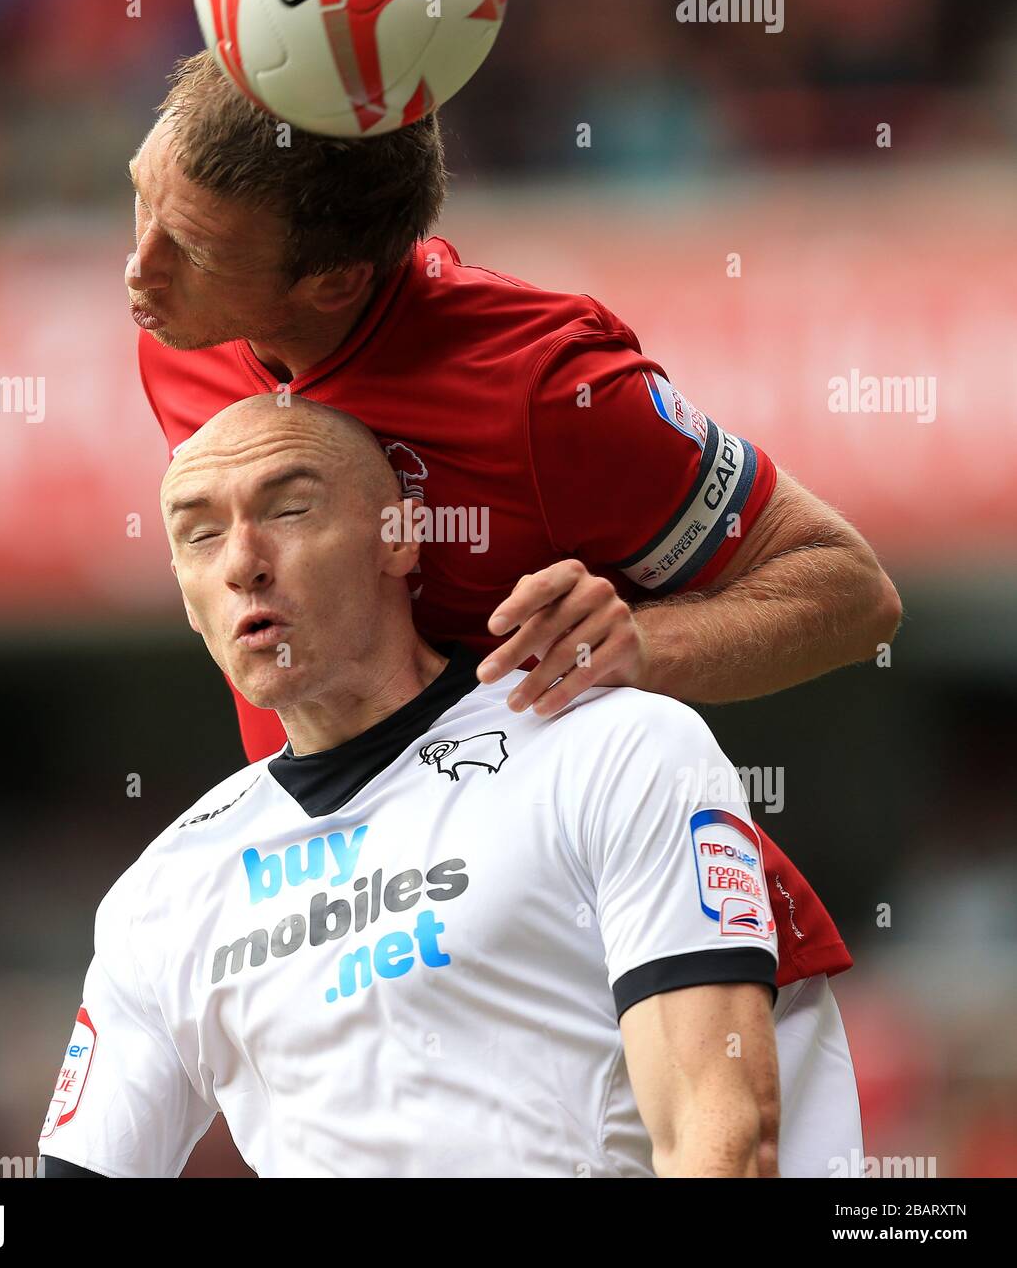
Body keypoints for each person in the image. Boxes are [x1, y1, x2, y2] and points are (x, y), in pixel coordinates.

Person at [128, 50, 903, 993]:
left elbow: (850, 589)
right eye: (142, 202)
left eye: (197, 252)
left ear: (331, 281)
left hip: (615, 955)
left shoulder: (544, 392)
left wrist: (645, 646)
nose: (140, 270)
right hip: (372, 946)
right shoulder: (182, 346)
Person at [39, 395, 863, 1178]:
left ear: (400, 537)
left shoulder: (614, 747)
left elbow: (717, 1135)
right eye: (200, 535)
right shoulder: (162, 894)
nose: (244, 564)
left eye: (289, 511)